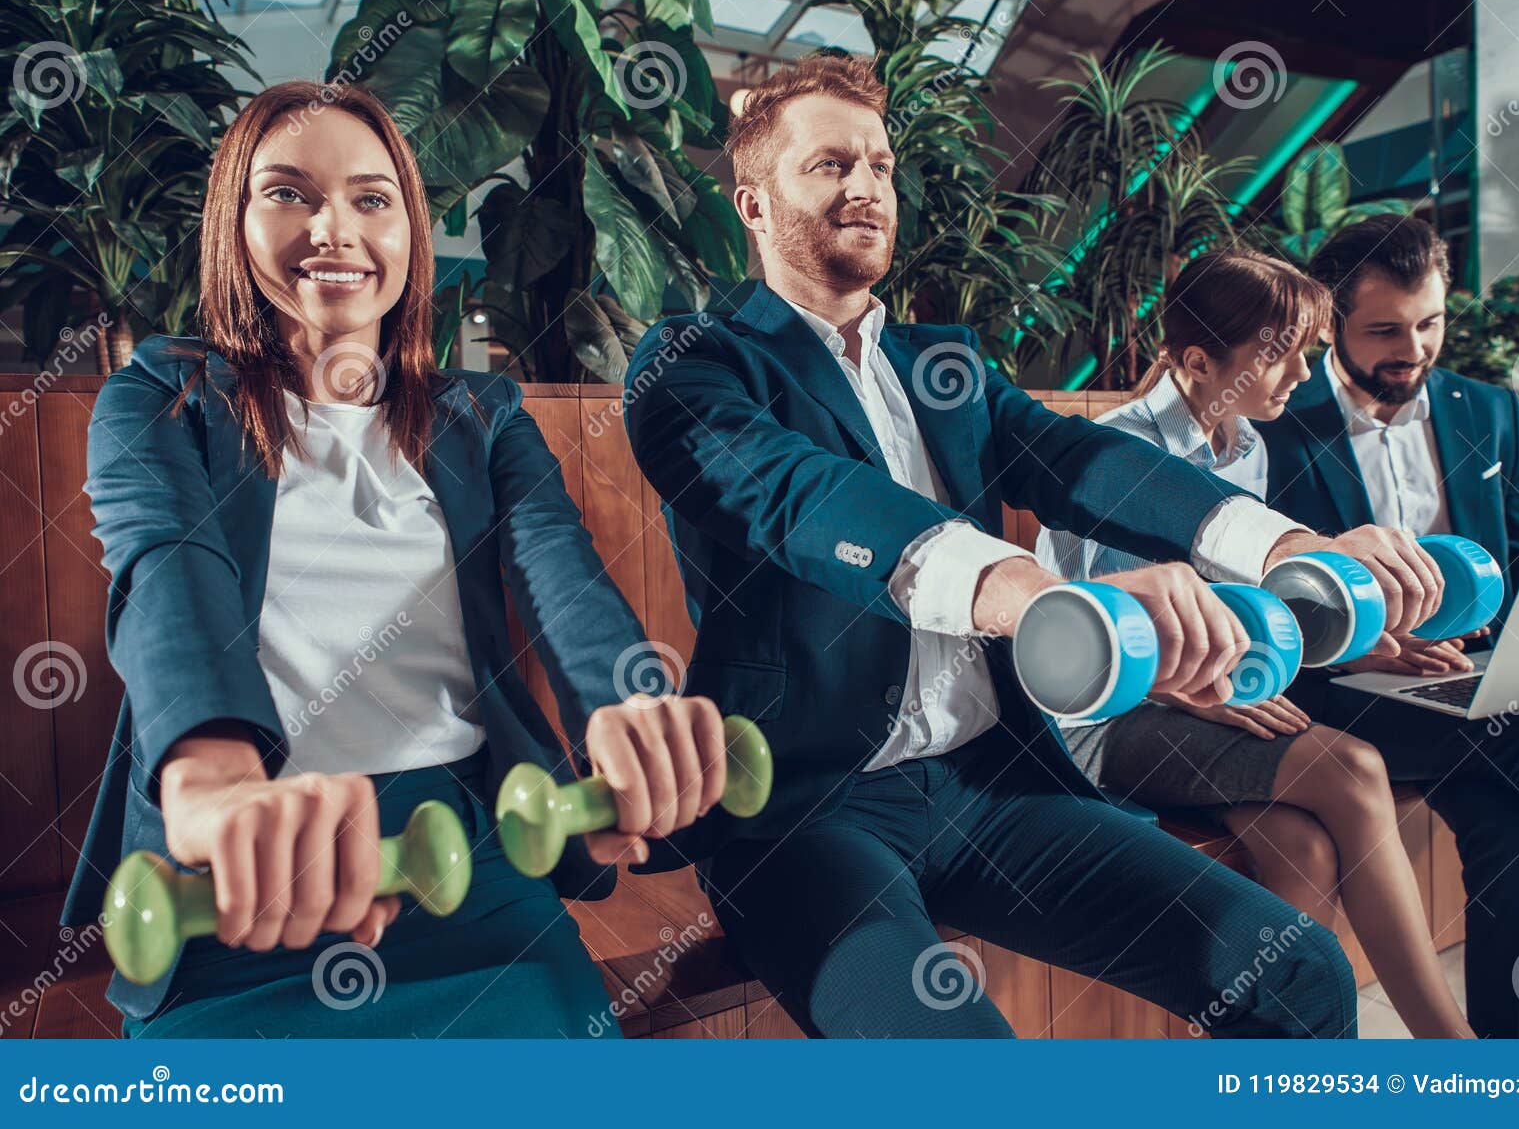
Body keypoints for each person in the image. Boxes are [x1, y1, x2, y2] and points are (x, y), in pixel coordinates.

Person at [621, 54, 1449, 1038]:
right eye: (830, 165)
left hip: (990, 787)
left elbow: (1083, 460)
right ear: (753, 206)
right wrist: (1042, 595)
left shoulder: (945, 368)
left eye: (881, 166)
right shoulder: (690, 366)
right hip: (806, 815)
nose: (866, 187)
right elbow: (810, 500)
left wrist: (1281, 544)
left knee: (1298, 972)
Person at [61, 81, 727, 1038]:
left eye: (372, 199)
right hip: (240, 875)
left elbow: (563, 576)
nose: (335, 228)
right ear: (233, 223)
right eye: (289, 193)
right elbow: (170, 576)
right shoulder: (162, 396)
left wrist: (629, 707)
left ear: (411, 231)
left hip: (466, 858)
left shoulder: (482, 417)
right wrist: (214, 786)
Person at [1035, 249, 1472, 1038]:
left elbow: (1246, 610)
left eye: (1305, 348)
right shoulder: (1116, 447)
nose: (1303, 374)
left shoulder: (1246, 447)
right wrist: (1213, 689)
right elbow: (1105, 646)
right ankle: (1454, 1051)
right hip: (1103, 720)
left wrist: (1364, 645)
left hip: (1209, 706)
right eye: (1279, 352)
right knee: (1355, 767)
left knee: (1302, 848)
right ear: (1199, 361)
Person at [1256, 213, 1519, 1038]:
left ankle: (1518, 1082)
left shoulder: (1483, 410)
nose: (1412, 347)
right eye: (1383, 330)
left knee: (1511, 840)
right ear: (1332, 321)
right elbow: (1255, 590)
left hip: (1480, 686)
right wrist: (1363, 637)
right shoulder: (1276, 419)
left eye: (1431, 323)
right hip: (1346, 695)